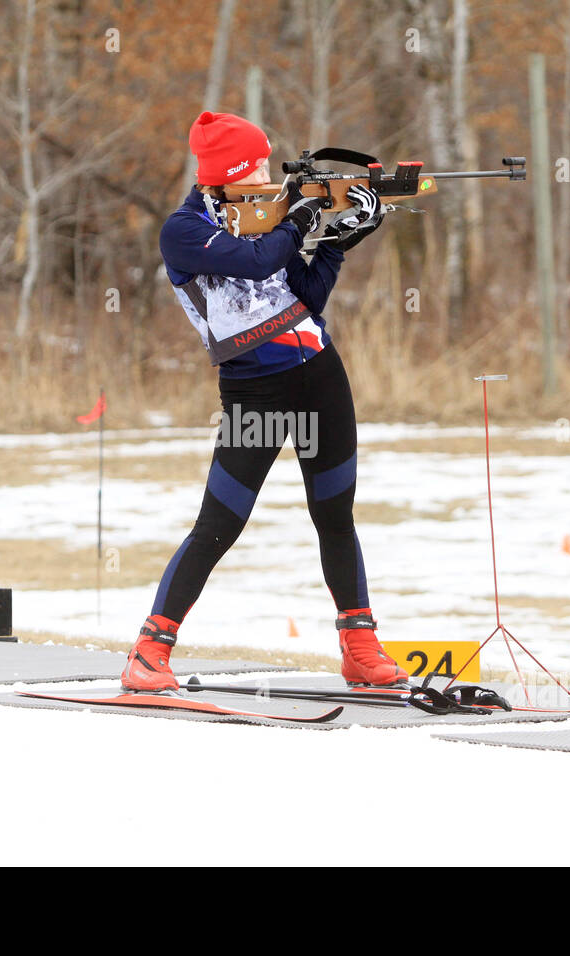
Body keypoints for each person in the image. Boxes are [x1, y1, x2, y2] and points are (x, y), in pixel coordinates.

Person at [120, 110, 408, 691]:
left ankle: (360, 647)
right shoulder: (185, 231)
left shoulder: (268, 219)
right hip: (255, 390)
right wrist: (300, 219)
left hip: (320, 375)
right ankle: (149, 650)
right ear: (225, 172)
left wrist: (340, 240)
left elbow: (305, 294)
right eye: (252, 165)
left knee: (335, 516)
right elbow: (257, 260)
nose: (263, 175)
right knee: (220, 523)